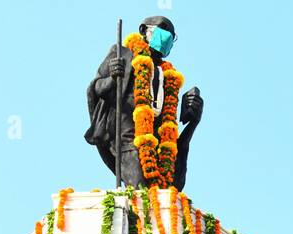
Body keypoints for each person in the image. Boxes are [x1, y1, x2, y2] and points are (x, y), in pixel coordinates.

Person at [85, 15, 204, 189]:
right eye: (163, 29)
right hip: (128, 136)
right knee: (139, 186)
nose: (167, 36)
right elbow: (96, 89)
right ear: (143, 30)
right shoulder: (123, 54)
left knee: (167, 187)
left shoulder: (168, 74)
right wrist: (112, 77)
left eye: (172, 35)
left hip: (157, 140)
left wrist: (192, 118)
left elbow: (167, 118)